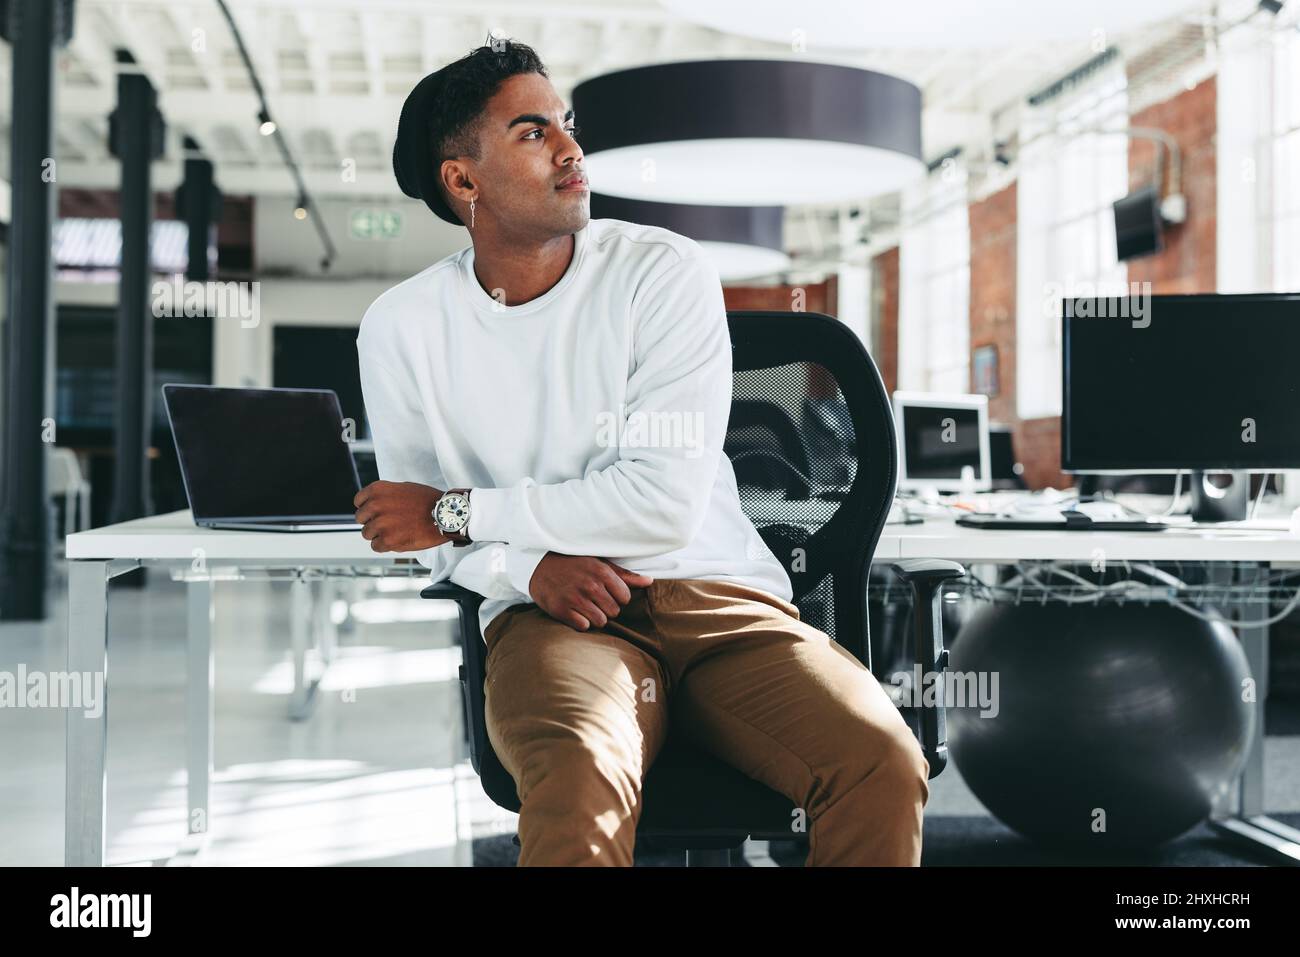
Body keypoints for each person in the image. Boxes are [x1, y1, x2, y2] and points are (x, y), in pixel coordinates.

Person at [354, 39, 929, 866]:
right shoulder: (402, 327)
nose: (570, 148)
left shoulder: (661, 272)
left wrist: (470, 516)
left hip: (719, 601)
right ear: (462, 180)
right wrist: (528, 568)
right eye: (532, 132)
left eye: (568, 123)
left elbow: (657, 504)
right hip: (553, 618)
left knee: (883, 758)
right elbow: (417, 537)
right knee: (583, 773)